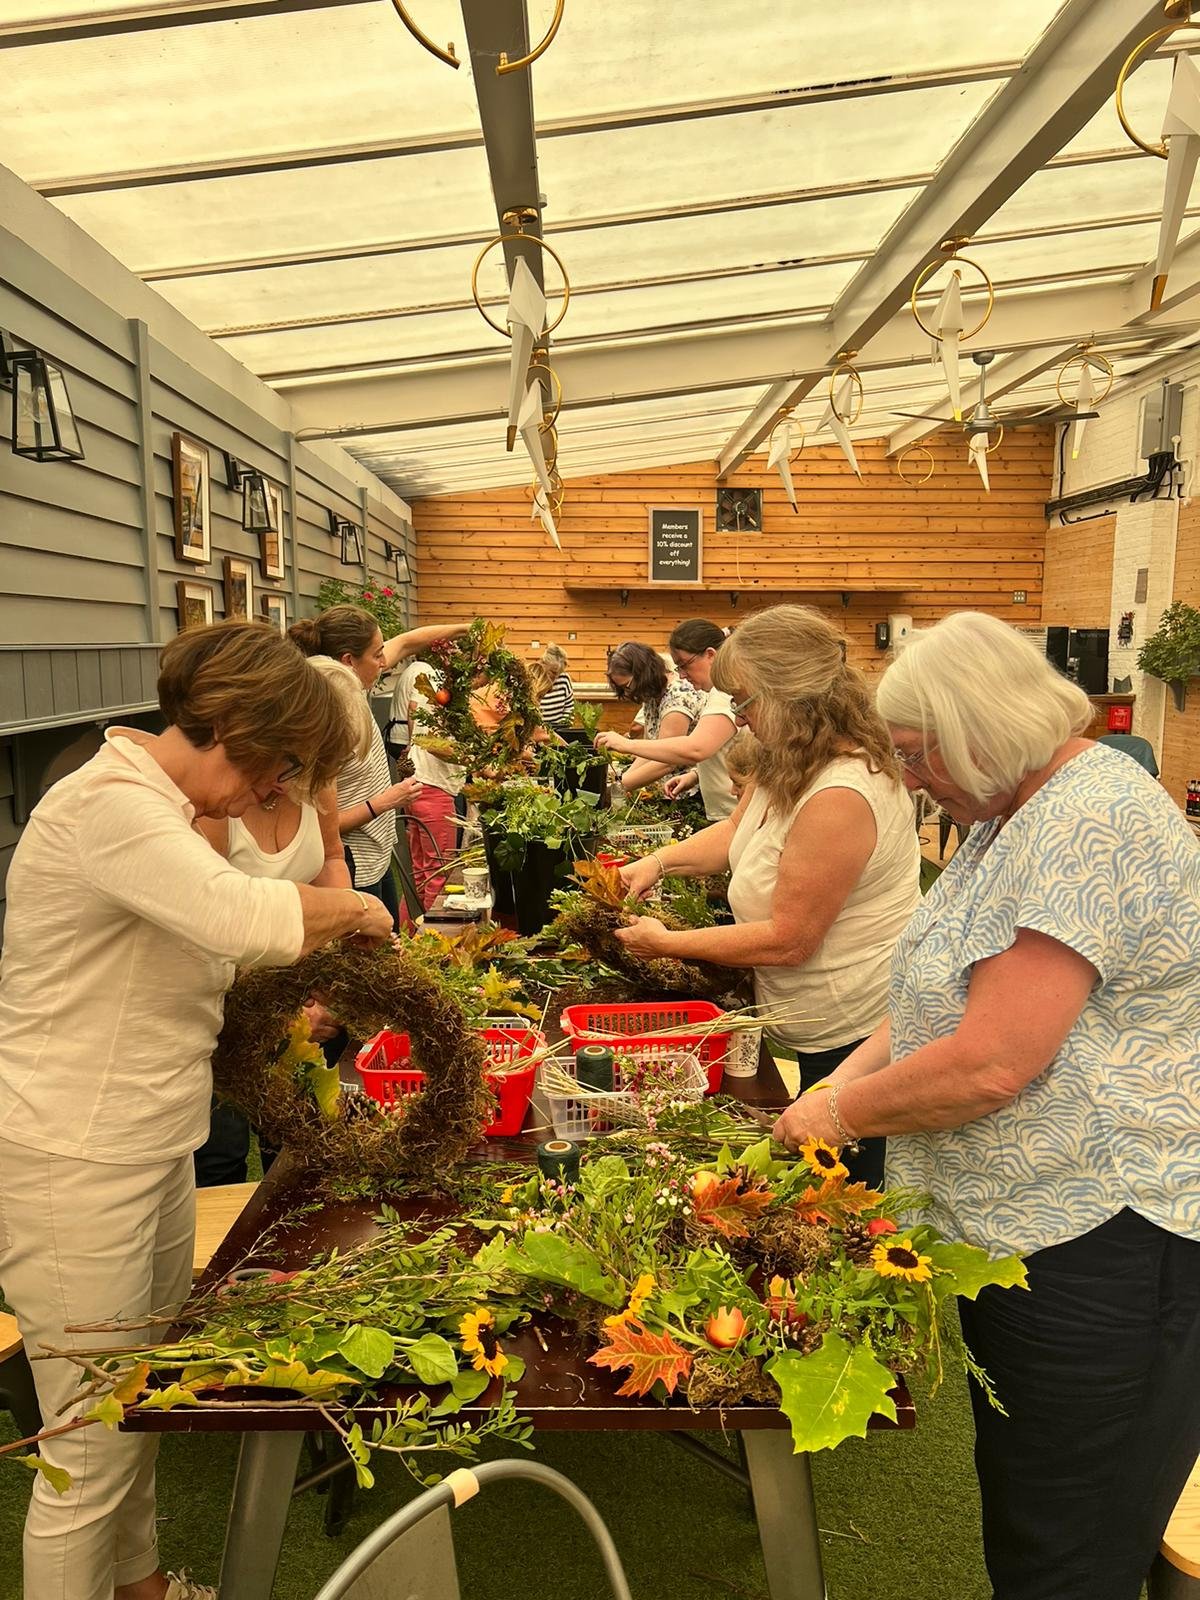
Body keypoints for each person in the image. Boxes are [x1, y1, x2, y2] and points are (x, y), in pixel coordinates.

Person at [770, 611, 1200, 1600]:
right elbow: (938, 991)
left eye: (921, 756)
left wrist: (837, 1115)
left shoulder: (1090, 816)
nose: (912, 779)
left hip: (1109, 1240)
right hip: (1039, 1231)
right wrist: (839, 1081)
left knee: (1067, 1544)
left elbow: (994, 1059)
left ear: (983, 728)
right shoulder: (1013, 812)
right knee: (1041, 1510)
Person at [0, 620, 394, 1600]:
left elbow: (240, 900)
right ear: (235, 727)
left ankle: (141, 1589)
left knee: (133, 1403)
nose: (276, 793)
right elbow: (240, 915)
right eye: (280, 765)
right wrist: (358, 911)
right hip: (74, 1159)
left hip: (147, 1145)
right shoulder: (109, 805)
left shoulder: (165, 812)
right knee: (82, 1450)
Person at [616, 606, 920, 1187]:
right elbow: (737, 834)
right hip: (812, 1021)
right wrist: (655, 863)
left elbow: (790, 938)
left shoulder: (843, 793)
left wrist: (669, 943)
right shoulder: (794, 759)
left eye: (746, 701)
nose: (740, 716)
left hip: (853, 1030)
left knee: (846, 1192)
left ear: (791, 696)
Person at [191, 656, 370, 1184]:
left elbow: (332, 859)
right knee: (220, 1150)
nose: (325, 780)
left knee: (301, 1138)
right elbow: (214, 924)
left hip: (301, 981)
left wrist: (334, 954)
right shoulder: (217, 806)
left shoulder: (316, 789)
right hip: (228, 1002)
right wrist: (282, 1010)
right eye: (321, 763)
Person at [288, 606, 469, 926]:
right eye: (377, 655)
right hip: (352, 865)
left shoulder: (354, 689)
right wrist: (387, 800)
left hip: (378, 856)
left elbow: (411, 641)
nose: (385, 662)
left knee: (394, 931)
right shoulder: (328, 723)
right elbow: (322, 828)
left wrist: (467, 628)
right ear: (348, 661)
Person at [596, 619, 737, 819]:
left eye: (684, 665)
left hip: (728, 810)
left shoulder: (721, 695)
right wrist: (695, 776)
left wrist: (624, 754)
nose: (682, 675)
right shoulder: (716, 694)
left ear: (710, 655)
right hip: (721, 810)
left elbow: (692, 750)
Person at [392, 654, 466, 908]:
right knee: (438, 874)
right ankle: (432, 936)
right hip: (434, 791)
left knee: (421, 871)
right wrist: (477, 758)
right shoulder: (449, 702)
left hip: (417, 786)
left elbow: (414, 718)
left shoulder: (432, 693)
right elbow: (441, 746)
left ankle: (411, 931)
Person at [603, 640, 707, 798]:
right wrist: (620, 782)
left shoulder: (678, 696)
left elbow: (667, 761)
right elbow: (651, 751)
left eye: (627, 686)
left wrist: (615, 790)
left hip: (689, 791)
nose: (628, 693)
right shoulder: (652, 696)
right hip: (667, 790)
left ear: (642, 674)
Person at [530, 644, 574, 728]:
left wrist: (564, 726)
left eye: (559, 673)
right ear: (544, 663)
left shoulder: (564, 679)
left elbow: (569, 707)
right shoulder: (532, 676)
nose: (556, 677)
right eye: (553, 672)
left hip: (559, 729)